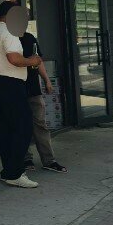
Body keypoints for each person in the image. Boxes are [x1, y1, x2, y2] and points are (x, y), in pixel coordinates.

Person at [0, 1, 42, 188]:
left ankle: (8, 170)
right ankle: (15, 172)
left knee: (6, 130)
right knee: (23, 127)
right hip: (11, 85)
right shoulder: (9, 32)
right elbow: (14, 59)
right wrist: (32, 60)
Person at [20, 30, 67, 173]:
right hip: (16, 89)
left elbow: (38, 60)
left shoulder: (29, 38)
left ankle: (49, 160)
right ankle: (26, 158)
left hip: (34, 89)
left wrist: (47, 81)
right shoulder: (8, 37)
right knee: (21, 125)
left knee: (40, 125)